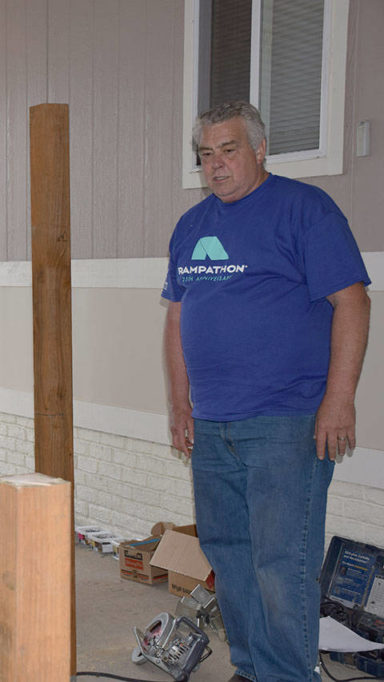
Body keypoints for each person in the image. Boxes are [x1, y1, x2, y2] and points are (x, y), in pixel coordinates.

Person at [163, 102, 371, 682]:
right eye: (206, 154)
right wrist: (181, 404)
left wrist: (339, 399)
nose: (216, 164)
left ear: (259, 149)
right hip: (212, 424)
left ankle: (286, 675)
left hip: (286, 421)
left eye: (229, 150)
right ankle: (254, 669)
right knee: (229, 556)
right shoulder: (192, 226)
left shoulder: (306, 211)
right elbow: (178, 322)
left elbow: (352, 302)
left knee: (282, 562)